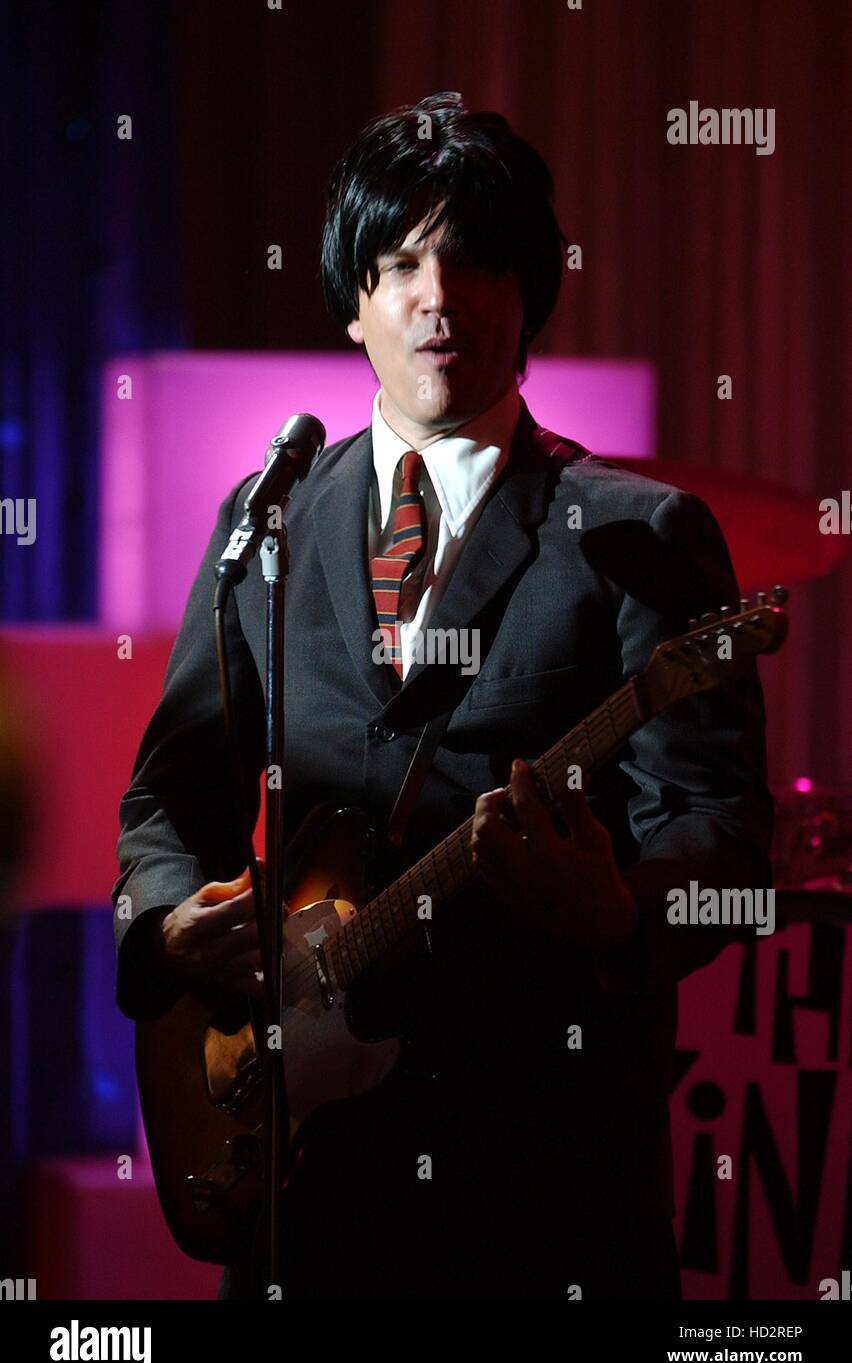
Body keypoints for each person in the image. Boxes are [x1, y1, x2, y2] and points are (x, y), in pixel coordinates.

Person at [112, 92, 773, 1300]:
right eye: (401, 261)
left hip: (541, 1195)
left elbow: (728, 833)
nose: (436, 295)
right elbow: (169, 796)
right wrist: (163, 926)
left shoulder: (639, 531)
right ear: (353, 300)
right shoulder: (267, 519)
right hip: (301, 1193)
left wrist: (620, 912)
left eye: (472, 257)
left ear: (527, 293)